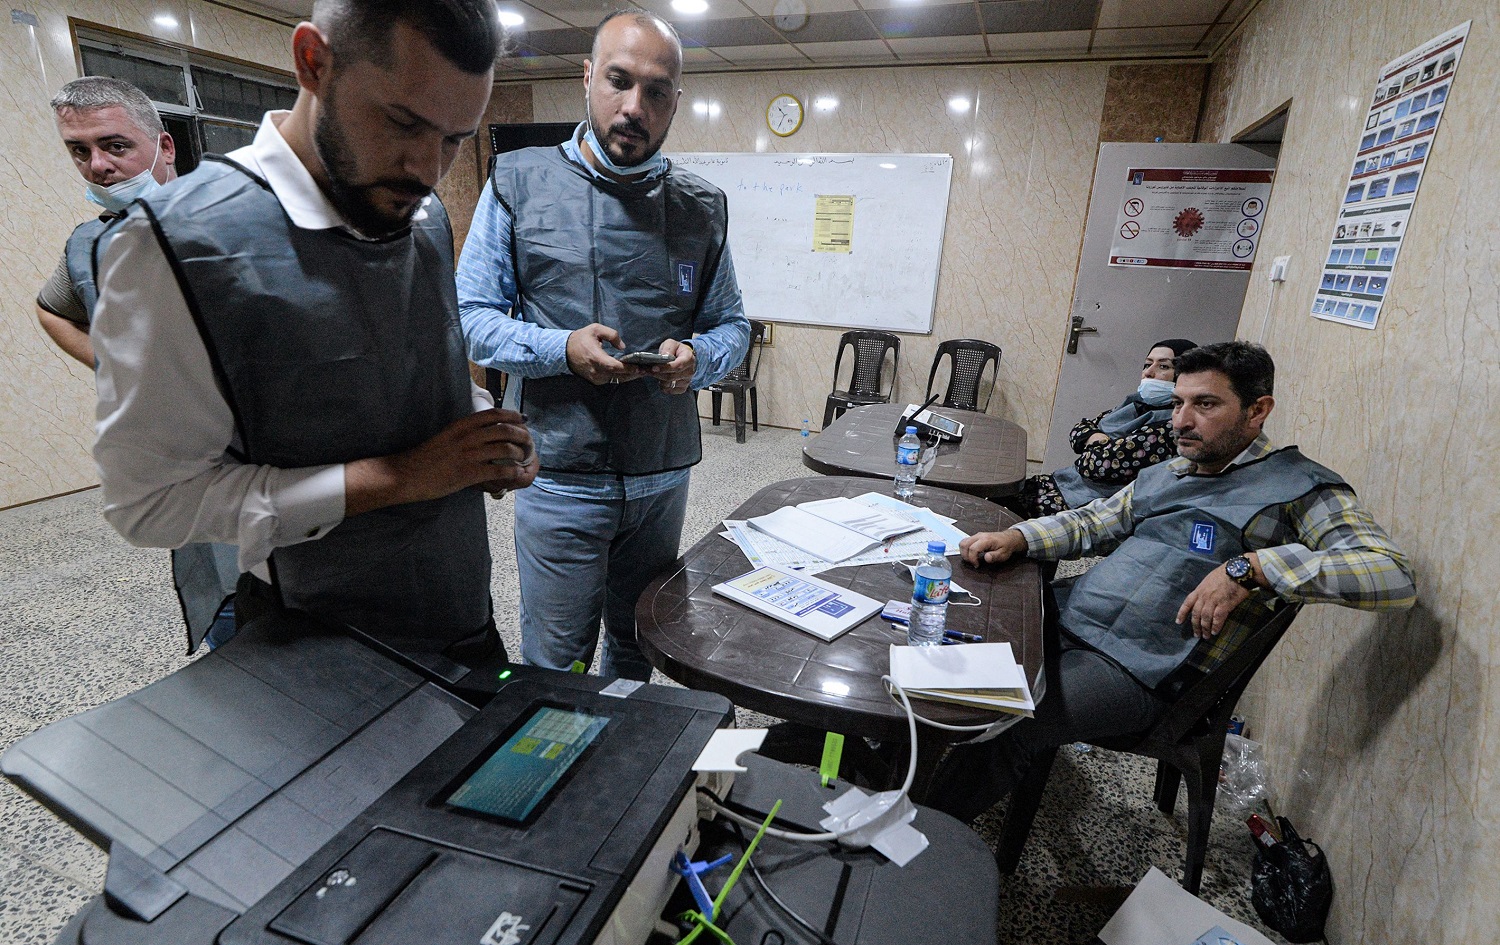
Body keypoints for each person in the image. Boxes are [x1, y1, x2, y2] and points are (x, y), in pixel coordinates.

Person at [91, 0, 536, 663]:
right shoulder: (178, 243)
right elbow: (148, 503)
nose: (426, 167)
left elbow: (413, 365)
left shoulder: (423, 214)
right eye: (403, 122)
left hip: (462, 615)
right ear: (313, 62)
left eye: (454, 139)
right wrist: (398, 479)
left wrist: (481, 431)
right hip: (313, 644)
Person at [927, 342, 1416, 823]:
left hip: (1144, 669)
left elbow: (1390, 574)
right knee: (944, 642)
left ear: (1257, 410)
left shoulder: (1300, 488)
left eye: (1205, 404)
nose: (1181, 420)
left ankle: (911, 841)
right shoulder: (1173, 470)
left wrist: (1250, 568)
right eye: (1179, 402)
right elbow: (1093, 522)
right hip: (1077, 617)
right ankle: (886, 774)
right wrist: (1017, 535)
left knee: (1006, 717)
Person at [457, 10, 749, 681]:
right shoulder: (517, 183)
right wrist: (562, 348)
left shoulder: (701, 207)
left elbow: (734, 325)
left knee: (636, 651)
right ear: (588, 77)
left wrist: (699, 358)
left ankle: (620, 783)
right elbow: (470, 317)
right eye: (618, 82)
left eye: (655, 92)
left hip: (661, 475)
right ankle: (553, 785)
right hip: (559, 473)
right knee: (556, 665)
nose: (633, 107)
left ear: (677, 100)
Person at [39, 77, 240, 650]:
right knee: (227, 616)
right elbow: (51, 309)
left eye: (115, 146)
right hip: (186, 469)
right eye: (80, 151)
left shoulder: (238, 220)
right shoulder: (88, 243)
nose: (98, 166)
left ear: (165, 146)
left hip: (279, 460)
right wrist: (118, 367)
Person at [1018, 338, 1196, 517]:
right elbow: (1079, 429)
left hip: (1089, 506)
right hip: (1066, 483)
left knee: (1007, 507)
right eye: (1147, 364)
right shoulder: (1134, 403)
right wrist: (1100, 441)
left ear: (1184, 375)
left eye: (1163, 367)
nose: (1148, 373)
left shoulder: (1171, 427)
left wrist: (1092, 439)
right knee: (1007, 491)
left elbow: (1097, 465)